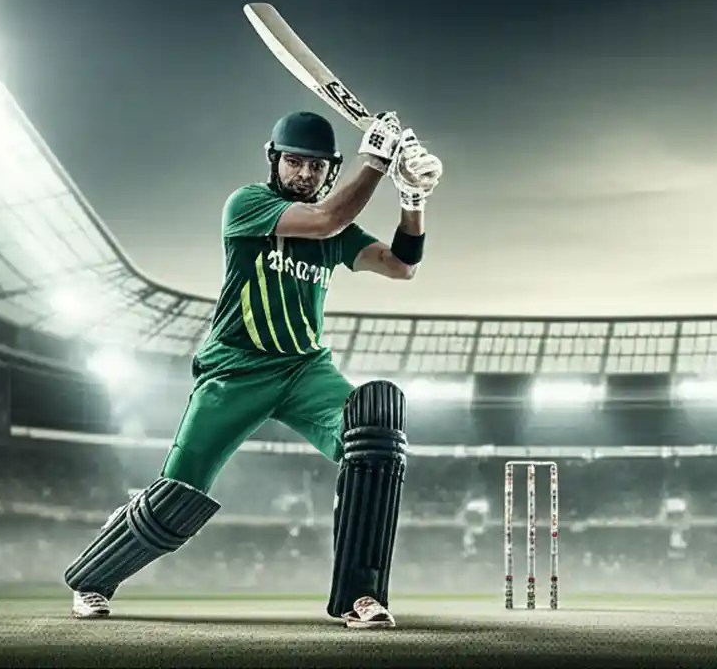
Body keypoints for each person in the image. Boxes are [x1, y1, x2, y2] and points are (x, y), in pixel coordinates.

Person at [63, 110, 442, 630]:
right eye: (294, 162)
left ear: (329, 170)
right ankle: (93, 576)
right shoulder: (248, 206)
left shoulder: (337, 229)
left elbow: (402, 266)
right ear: (274, 161)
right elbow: (326, 219)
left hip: (305, 370)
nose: (304, 175)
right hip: (234, 372)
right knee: (177, 493)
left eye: (315, 166)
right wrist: (375, 159)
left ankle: (361, 596)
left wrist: (412, 197)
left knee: (375, 426)